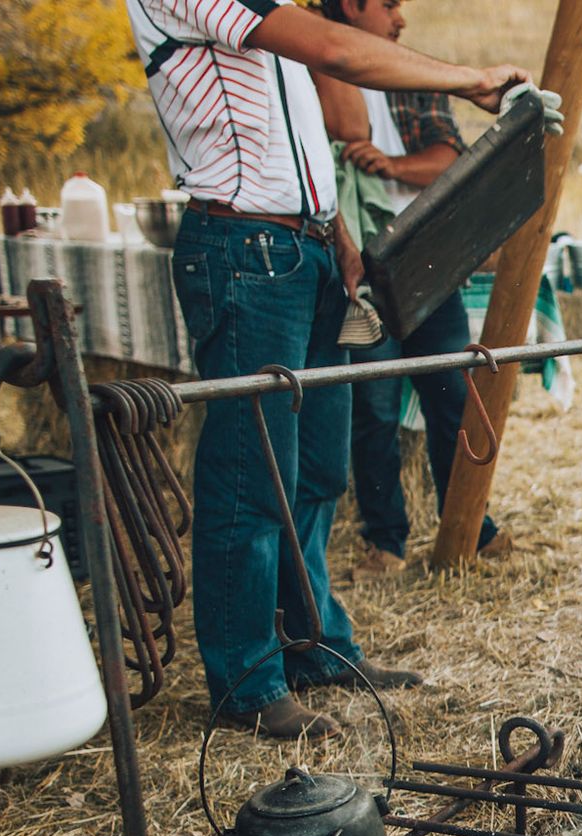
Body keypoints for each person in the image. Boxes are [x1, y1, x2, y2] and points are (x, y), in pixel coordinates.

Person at [121, 0, 533, 738]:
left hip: (303, 247)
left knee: (315, 471)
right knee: (251, 475)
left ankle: (313, 646)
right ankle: (247, 683)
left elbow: (300, 136)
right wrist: (471, 79)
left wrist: (336, 234)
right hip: (243, 249)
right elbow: (335, 50)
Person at [310, 0, 510, 580]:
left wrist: (392, 166)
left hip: (426, 255)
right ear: (351, 5)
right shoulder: (313, 62)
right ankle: (386, 543)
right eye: (389, 4)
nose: (400, 19)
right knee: (372, 406)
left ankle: (470, 526)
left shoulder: (411, 75)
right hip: (360, 262)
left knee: (450, 392)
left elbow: (450, 155)